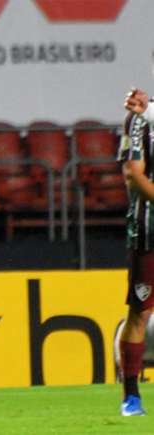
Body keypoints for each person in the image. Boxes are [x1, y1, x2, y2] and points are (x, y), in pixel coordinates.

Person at [118, 87, 154, 416]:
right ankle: (131, 396)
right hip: (150, 231)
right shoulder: (140, 120)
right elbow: (132, 173)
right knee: (140, 313)